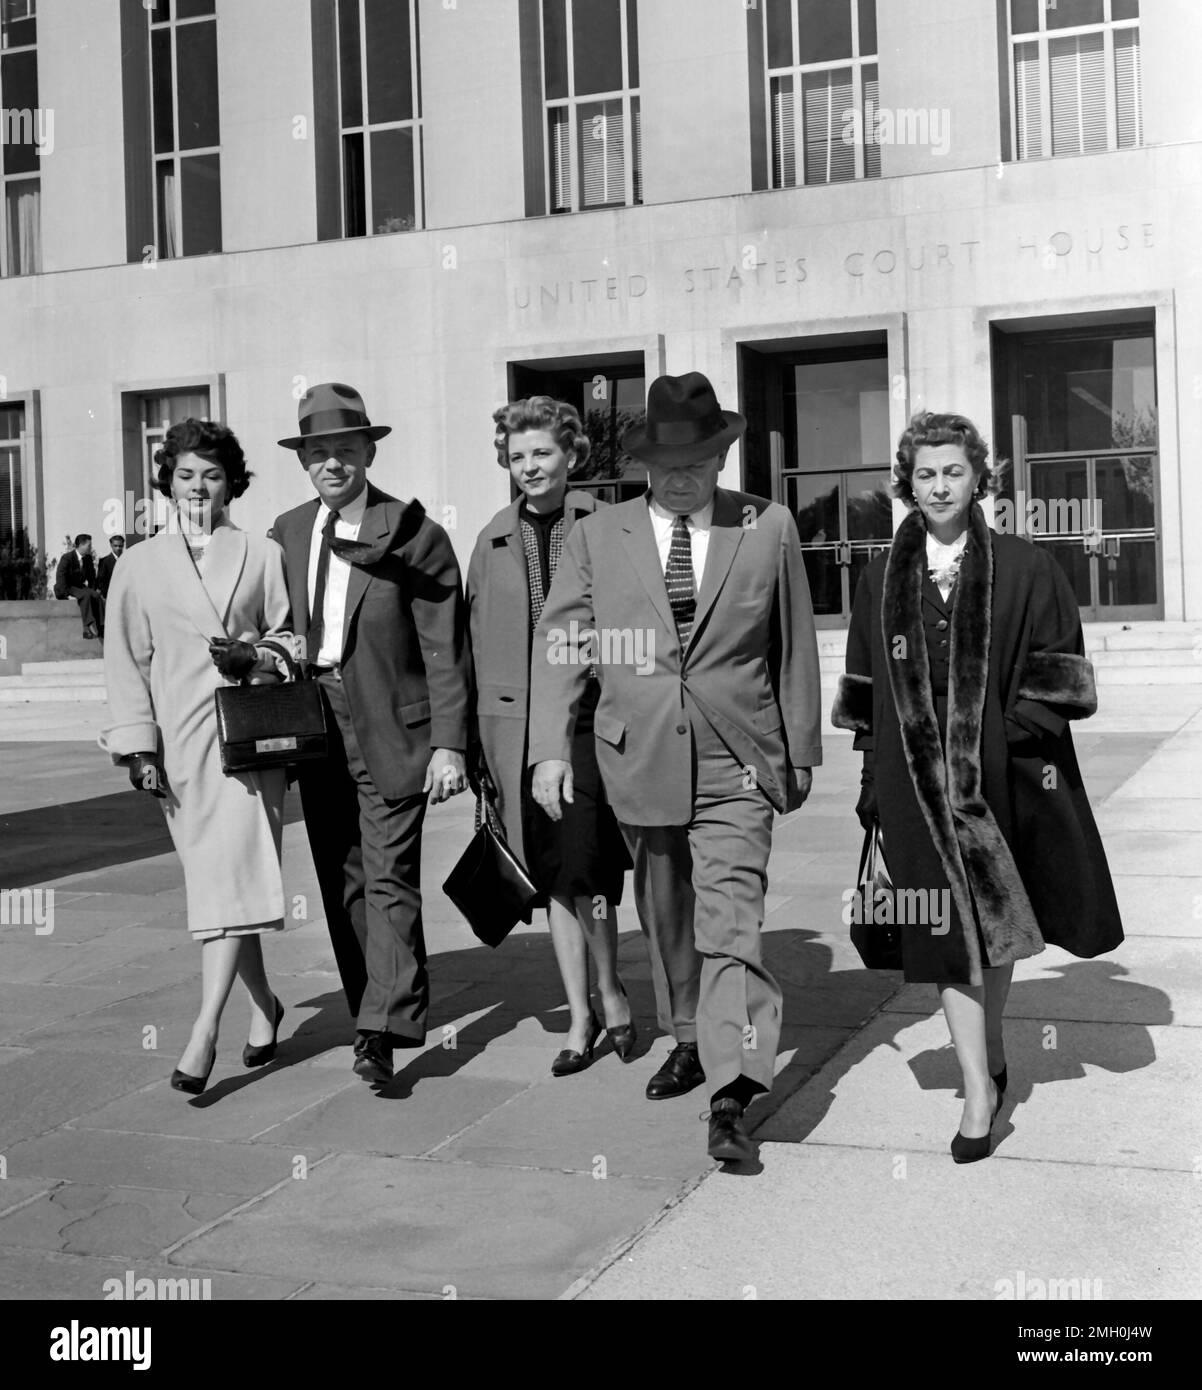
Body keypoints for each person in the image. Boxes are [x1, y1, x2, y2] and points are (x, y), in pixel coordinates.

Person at [529, 372, 822, 1162]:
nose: (682, 472)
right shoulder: (598, 535)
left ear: (721, 457)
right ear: (645, 463)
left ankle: (734, 1086)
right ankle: (689, 1036)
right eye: (667, 459)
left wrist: (800, 752)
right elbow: (562, 644)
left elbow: (793, 648)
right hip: (639, 756)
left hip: (738, 758)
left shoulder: (769, 526)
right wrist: (552, 748)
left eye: (697, 456)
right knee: (667, 914)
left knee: (733, 922)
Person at [833, 411, 1124, 1163]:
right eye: (925, 473)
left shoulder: (1027, 568)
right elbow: (867, 694)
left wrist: (1000, 740)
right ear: (907, 483)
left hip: (1007, 784)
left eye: (953, 471)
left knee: (994, 932)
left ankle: (988, 1048)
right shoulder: (879, 577)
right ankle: (978, 1089)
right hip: (912, 790)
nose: (939, 486)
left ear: (977, 477)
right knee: (943, 938)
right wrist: (874, 779)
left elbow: (1060, 679)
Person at [270, 383, 471, 1087]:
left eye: (345, 450)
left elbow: (445, 646)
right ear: (304, 461)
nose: (332, 463)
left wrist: (451, 743)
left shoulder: (414, 531)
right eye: (318, 452)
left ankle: (384, 1029)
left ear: (369, 451)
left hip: (391, 720)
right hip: (315, 720)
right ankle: (369, 1007)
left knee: (389, 876)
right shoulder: (289, 531)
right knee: (341, 874)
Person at [100, 419, 293, 1095]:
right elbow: (126, 661)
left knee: (226, 882)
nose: (198, 487)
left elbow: (288, 634)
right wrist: (137, 749)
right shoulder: (138, 564)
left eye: (212, 474)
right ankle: (265, 1006)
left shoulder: (261, 554)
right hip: (179, 750)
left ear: (231, 481)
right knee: (221, 885)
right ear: (168, 482)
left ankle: (203, 1032)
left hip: (246, 743)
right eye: (185, 474)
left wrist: (260, 656)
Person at [466, 397, 634, 1076]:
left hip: (592, 721)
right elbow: (473, 645)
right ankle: (582, 1014)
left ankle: (612, 985)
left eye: (542, 452)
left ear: (571, 455)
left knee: (586, 864)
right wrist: (479, 749)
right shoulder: (489, 539)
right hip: (517, 733)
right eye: (518, 454)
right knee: (553, 878)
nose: (529, 466)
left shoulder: (611, 524)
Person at [54, 533, 104, 638]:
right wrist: (65, 595)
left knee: (96, 596)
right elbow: (60, 577)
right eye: (89, 545)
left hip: (79, 586)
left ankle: (101, 626)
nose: (90, 548)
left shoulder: (88, 558)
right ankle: (86, 629)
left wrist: (93, 590)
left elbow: (91, 577)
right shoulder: (67, 558)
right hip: (67, 586)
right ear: (81, 545)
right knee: (84, 596)